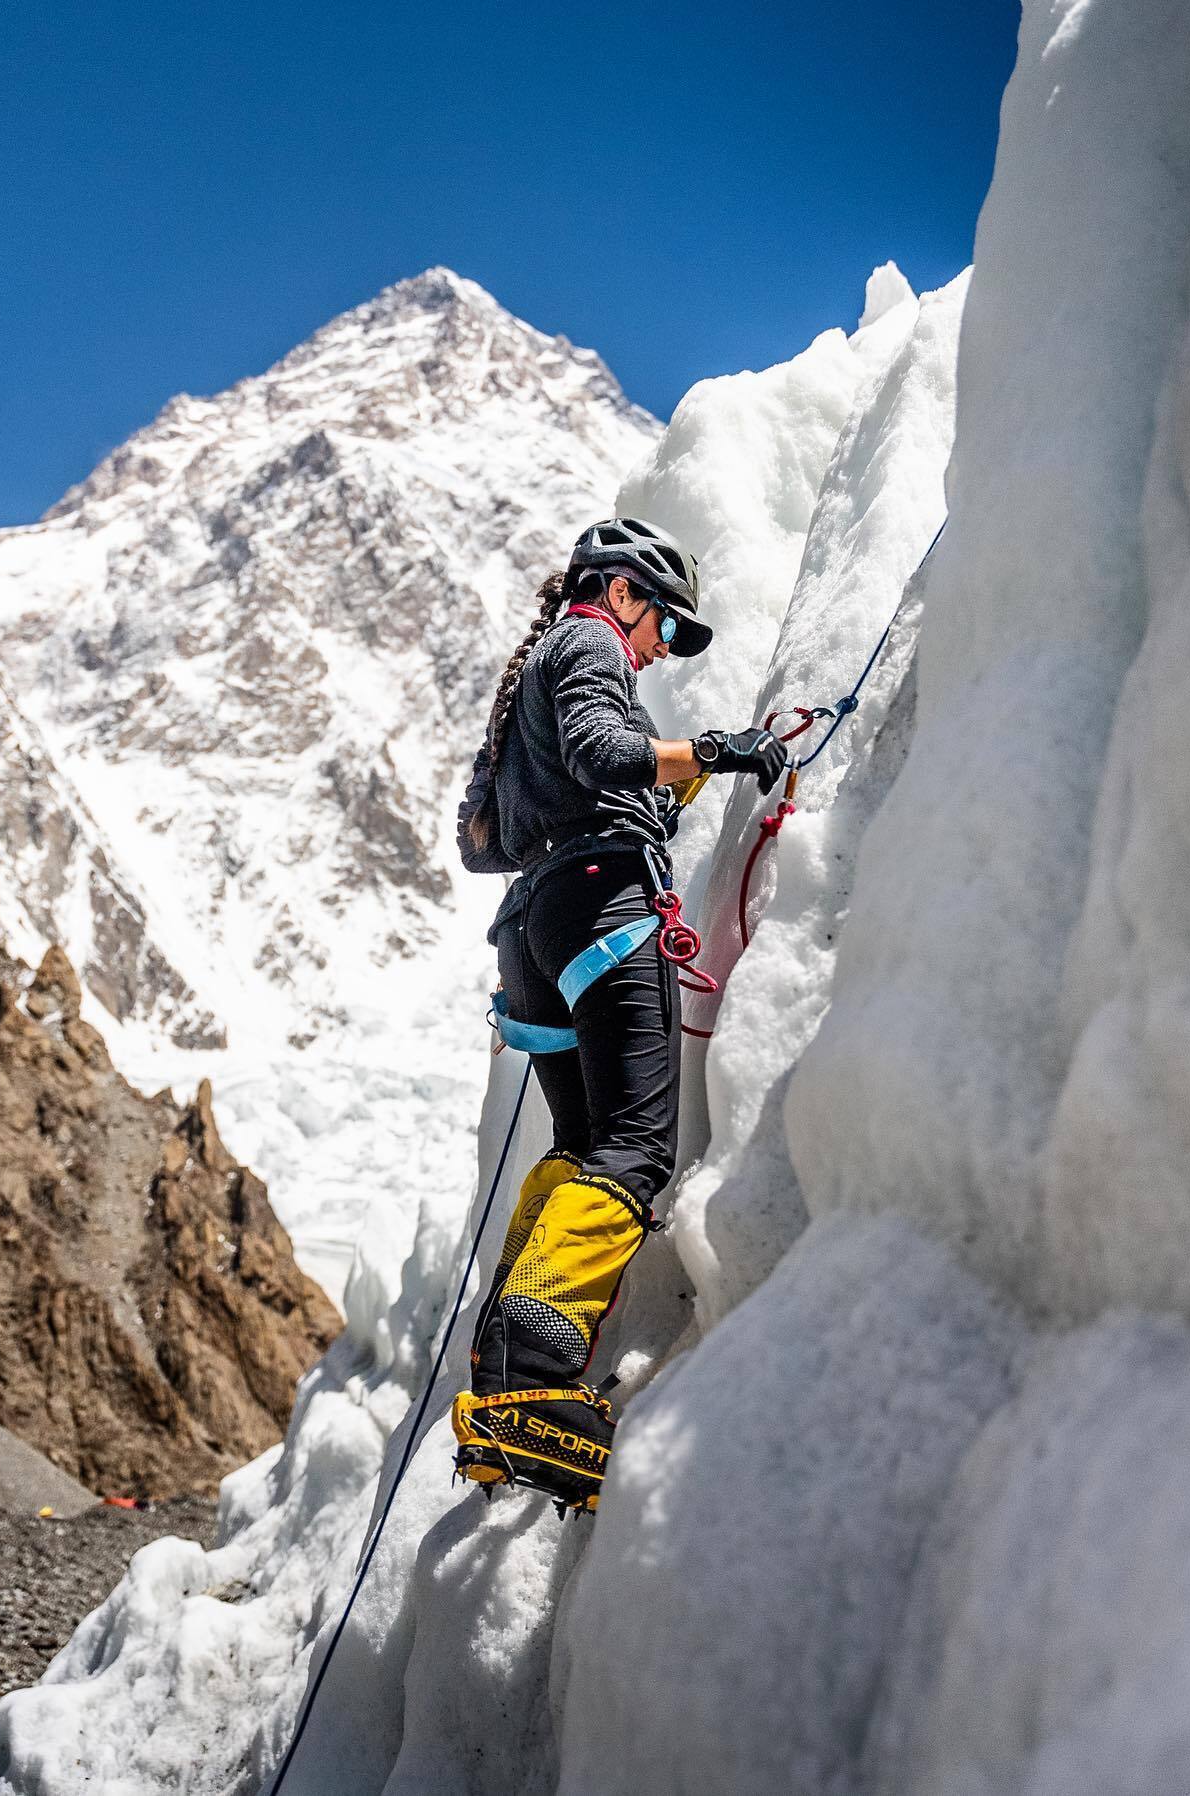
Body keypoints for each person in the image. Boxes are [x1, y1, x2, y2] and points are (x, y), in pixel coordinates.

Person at [449, 517, 790, 1512]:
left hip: (533, 932)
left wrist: (643, 798)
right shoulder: (587, 639)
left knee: (585, 1141)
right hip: (600, 904)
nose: (658, 646)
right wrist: (720, 752)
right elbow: (606, 748)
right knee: (637, 1149)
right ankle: (529, 1377)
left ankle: (500, 1391)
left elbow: (483, 839)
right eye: (664, 622)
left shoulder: (530, 680)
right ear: (621, 590)